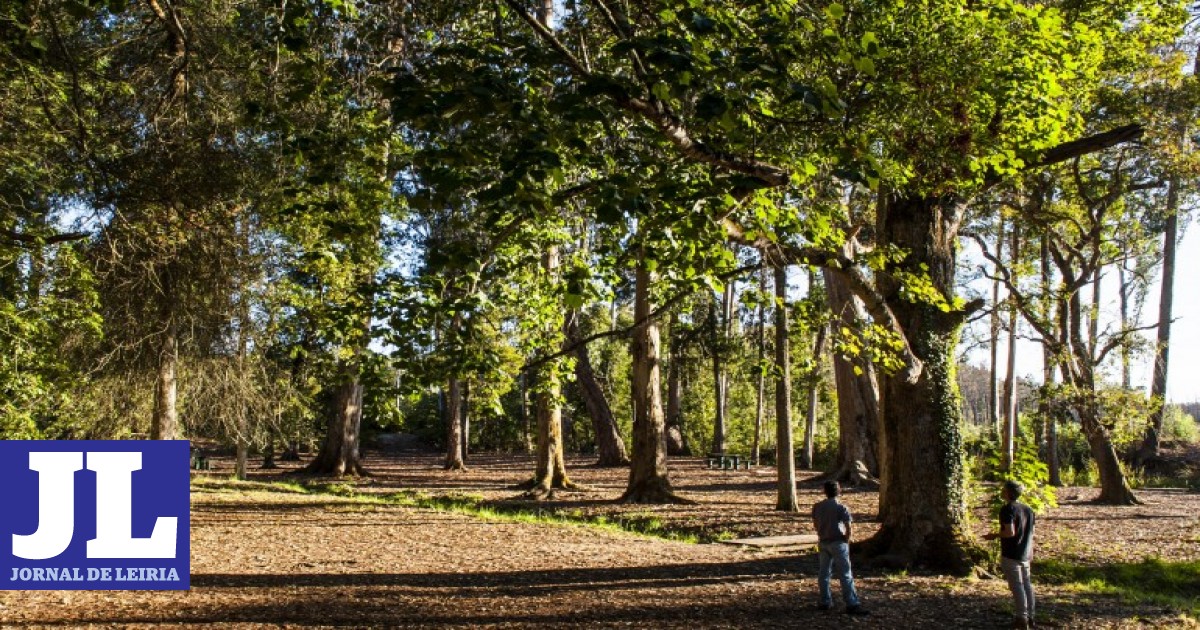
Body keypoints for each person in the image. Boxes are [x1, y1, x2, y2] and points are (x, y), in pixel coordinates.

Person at [984, 480, 1036, 629]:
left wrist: (993, 535)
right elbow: (1031, 532)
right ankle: (1030, 616)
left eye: (1004, 489)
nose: (1002, 491)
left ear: (1009, 492)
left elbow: (1009, 532)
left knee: (1017, 586)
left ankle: (1021, 618)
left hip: (1011, 553)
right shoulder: (1028, 510)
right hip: (1025, 553)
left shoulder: (1008, 509)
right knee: (1027, 584)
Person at [811, 481, 869, 615]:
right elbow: (848, 527)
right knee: (845, 574)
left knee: (824, 573)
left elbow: (815, 524)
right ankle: (852, 603)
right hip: (838, 542)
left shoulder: (817, 507)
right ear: (839, 490)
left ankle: (825, 601)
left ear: (824, 491)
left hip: (823, 542)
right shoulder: (841, 507)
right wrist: (847, 539)